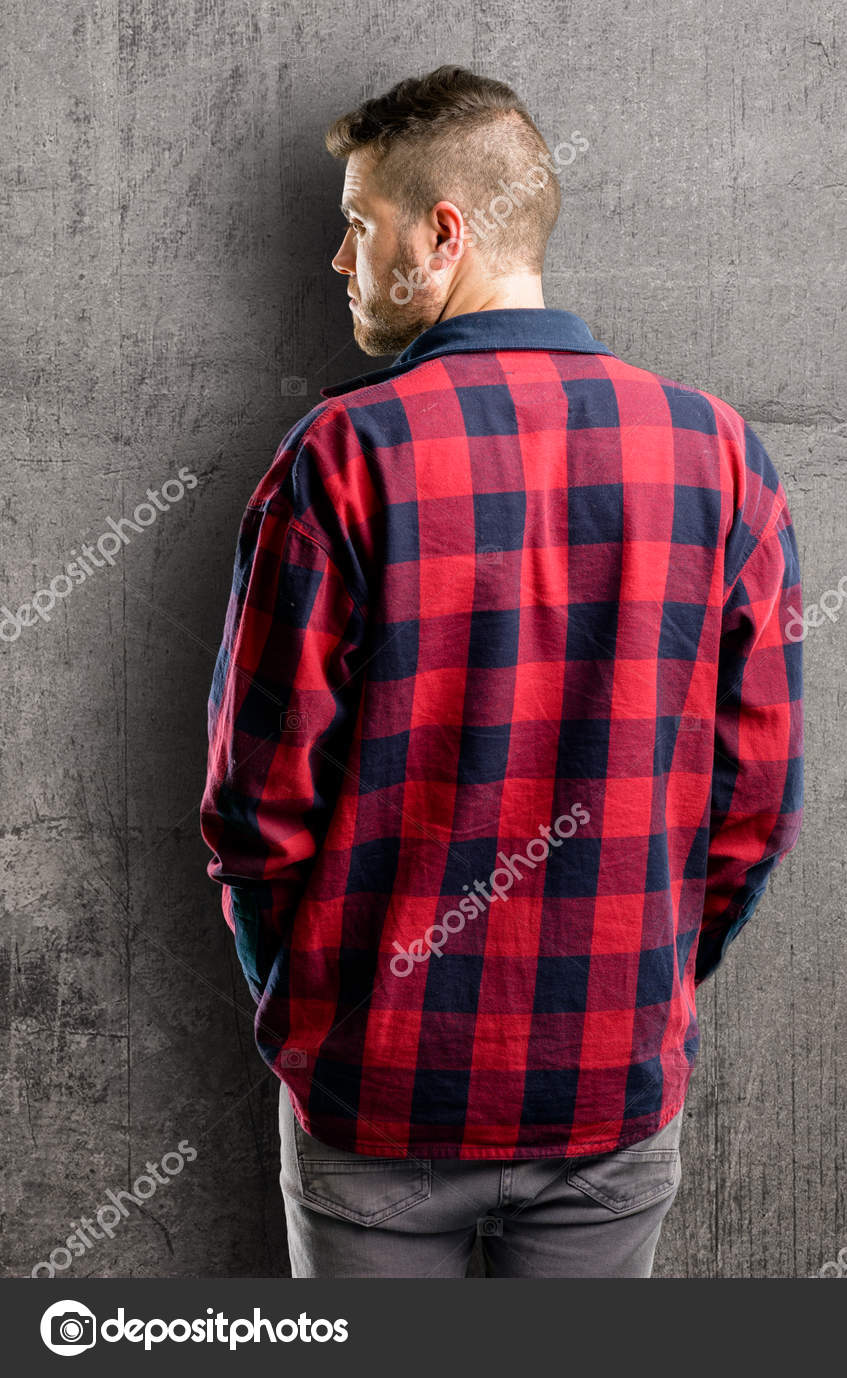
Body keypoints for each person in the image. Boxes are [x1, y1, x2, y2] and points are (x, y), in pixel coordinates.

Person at [199, 65, 804, 1277]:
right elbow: (755, 808)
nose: (339, 258)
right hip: (609, 1087)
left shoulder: (342, 458)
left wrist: (313, 1016)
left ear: (442, 234)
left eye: (358, 224)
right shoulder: (719, 454)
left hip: (379, 1093)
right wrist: (645, 987)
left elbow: (256, 814)